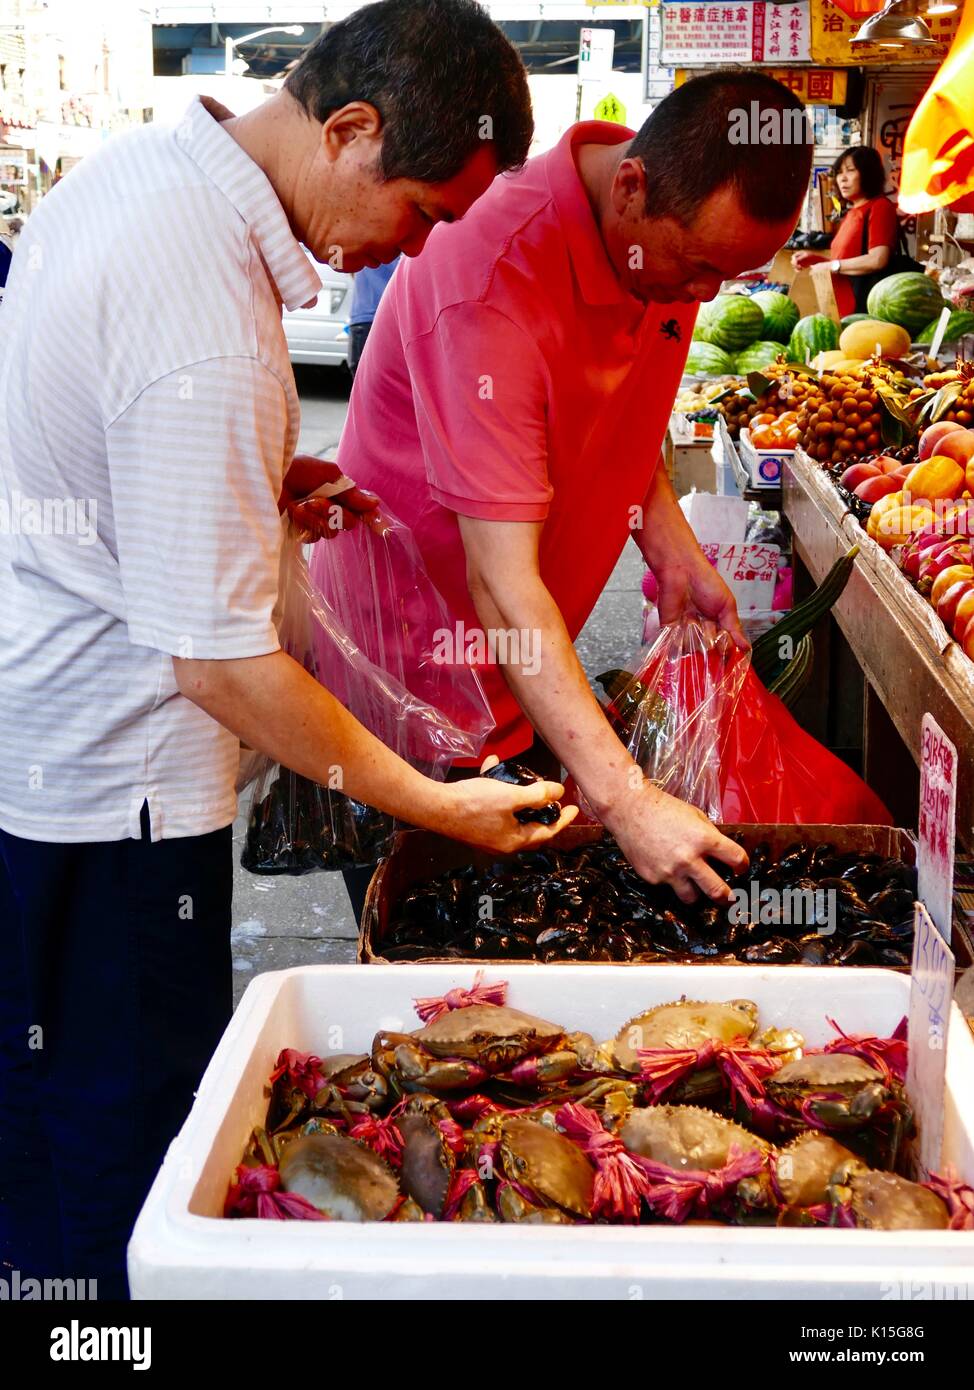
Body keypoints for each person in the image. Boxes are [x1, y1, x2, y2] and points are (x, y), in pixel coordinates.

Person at [0, 0, 571, 1300]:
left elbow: (91, 438)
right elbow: (223, 666)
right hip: (118, 795)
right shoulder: (205, 309)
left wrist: (253, 484)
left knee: (42, 1123)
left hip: (46, 747)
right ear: (350, 130)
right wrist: (429, 801)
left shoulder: (141, 178)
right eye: (424, 210)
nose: (417, 248)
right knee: (124, 1156)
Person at [320, 70, 814, 917]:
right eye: (699, 269)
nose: (702, 299)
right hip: (413, 692)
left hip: (524, 679)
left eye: (727, 280)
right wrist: (625, 799)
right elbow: (501, 588)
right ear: (630, 185)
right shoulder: (491, 278)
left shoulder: (659, 246)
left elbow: (621, 404)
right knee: (444, 973)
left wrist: (672, 547)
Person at [791, 146, 899, 317]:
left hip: (865, 308)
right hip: (842, 305)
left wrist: (830, 265)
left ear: (868, 173)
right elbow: (846, 259)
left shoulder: (880, 207)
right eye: (839, 172)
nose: (843, 179)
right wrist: (815, 259)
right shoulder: (853, 211)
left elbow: (878, 259)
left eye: (850, 170)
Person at [348, 255, 400, 375]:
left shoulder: (356, 238)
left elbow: (346, 264)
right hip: (394, 319)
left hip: (362, 317)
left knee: (362, 387)